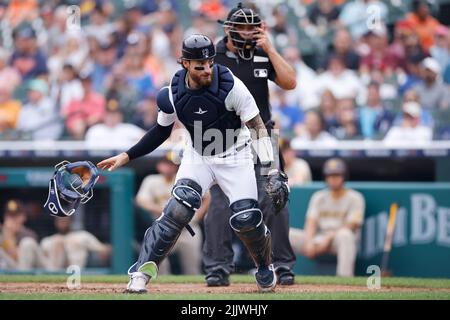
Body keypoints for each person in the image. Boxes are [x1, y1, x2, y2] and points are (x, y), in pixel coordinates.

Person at [97, 34, 284, 293]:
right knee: (179, 207)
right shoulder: (172, 93)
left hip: (236, 153)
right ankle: (141, 272)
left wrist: (271, 169)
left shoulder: (231, 85)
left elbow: (258, 127)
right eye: (200, 65)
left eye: (209, 62)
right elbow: (160, 132)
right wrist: (126, 155)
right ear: (185, 63)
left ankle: (264, 267)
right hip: (198, 155)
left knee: (246, 218)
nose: (207, 69)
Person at [201, 3, 297, 287]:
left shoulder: (262, 54)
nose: (247, 32)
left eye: (251, 27)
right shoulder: (212, 57)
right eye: (241, 27)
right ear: (228, 29)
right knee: (220, 202)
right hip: (222, 137)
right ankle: (218, 267)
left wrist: (270, 49)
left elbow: (290, 82)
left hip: (261, 134)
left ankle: (281, 265)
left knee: (275, 197)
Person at [289, 158, 365, 277]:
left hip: (338, 240)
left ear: (344, 176)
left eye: (337, 175)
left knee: (345, 235)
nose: (333, 179)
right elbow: (311, 222)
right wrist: (309, 242)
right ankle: (277, 272)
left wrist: (330, 236)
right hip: (319, 239)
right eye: (330, 175)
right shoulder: (319, 196)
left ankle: (344, 279)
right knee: (287, 234)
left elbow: (352, 225)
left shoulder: (355, 197)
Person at [135, 153, 209, 275]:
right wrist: (165, 211)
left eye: (172, 164)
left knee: (192, 268)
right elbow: (141, 200)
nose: (168, 167)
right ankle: (161, 291)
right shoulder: (152, 180)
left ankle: (194, 293)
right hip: (164, 228)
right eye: (165, 164)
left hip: (188, 229)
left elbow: (207, 197)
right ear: (159, 165)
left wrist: (198, 216)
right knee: (158, 266)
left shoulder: (185, 179)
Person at [40, 216, 111, 269]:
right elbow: (41, 259)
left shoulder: (83, 235)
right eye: (60, 219)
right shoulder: (47, 240)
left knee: (74, 241)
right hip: (52, 271)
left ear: (71, 221)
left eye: (65, 219)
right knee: (58, 242)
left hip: (77, 270)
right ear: (55, 222)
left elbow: (103, 249)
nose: (63, 222)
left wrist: (105, 251)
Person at [0, 200, 47, 270]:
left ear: (23, 217)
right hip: (10, 271)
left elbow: (16, 258)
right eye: (10, 216)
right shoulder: (2, 233)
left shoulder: (28, 234)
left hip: (30, 272)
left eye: (16, 216)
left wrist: (8, 235)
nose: (13, 219)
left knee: (27, 243)